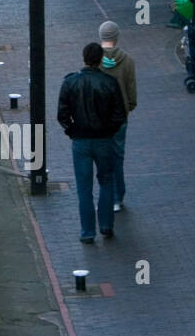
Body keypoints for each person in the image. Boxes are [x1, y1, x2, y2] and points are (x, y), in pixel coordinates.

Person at [58, 42, 127, 242]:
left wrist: (72, 130)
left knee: (84, 188)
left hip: (81, 141)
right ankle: (106, 225)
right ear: (100, 59)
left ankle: (87, 232)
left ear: (84, 58)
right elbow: (119, 114)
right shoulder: (109, 82)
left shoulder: (70, 82)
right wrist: (109, 131)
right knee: (106, 182)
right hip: (104, 140)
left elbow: (62, 114)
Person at [97, 21, 137, 212]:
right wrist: (127, 108)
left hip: (100, 118)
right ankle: (118, 197)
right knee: (117, 157)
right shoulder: (127, 60)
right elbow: (132, 93)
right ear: (117, 36)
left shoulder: (94, 60)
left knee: (102, 158)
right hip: (120, 117)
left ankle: (106, 196)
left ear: (101, 36)